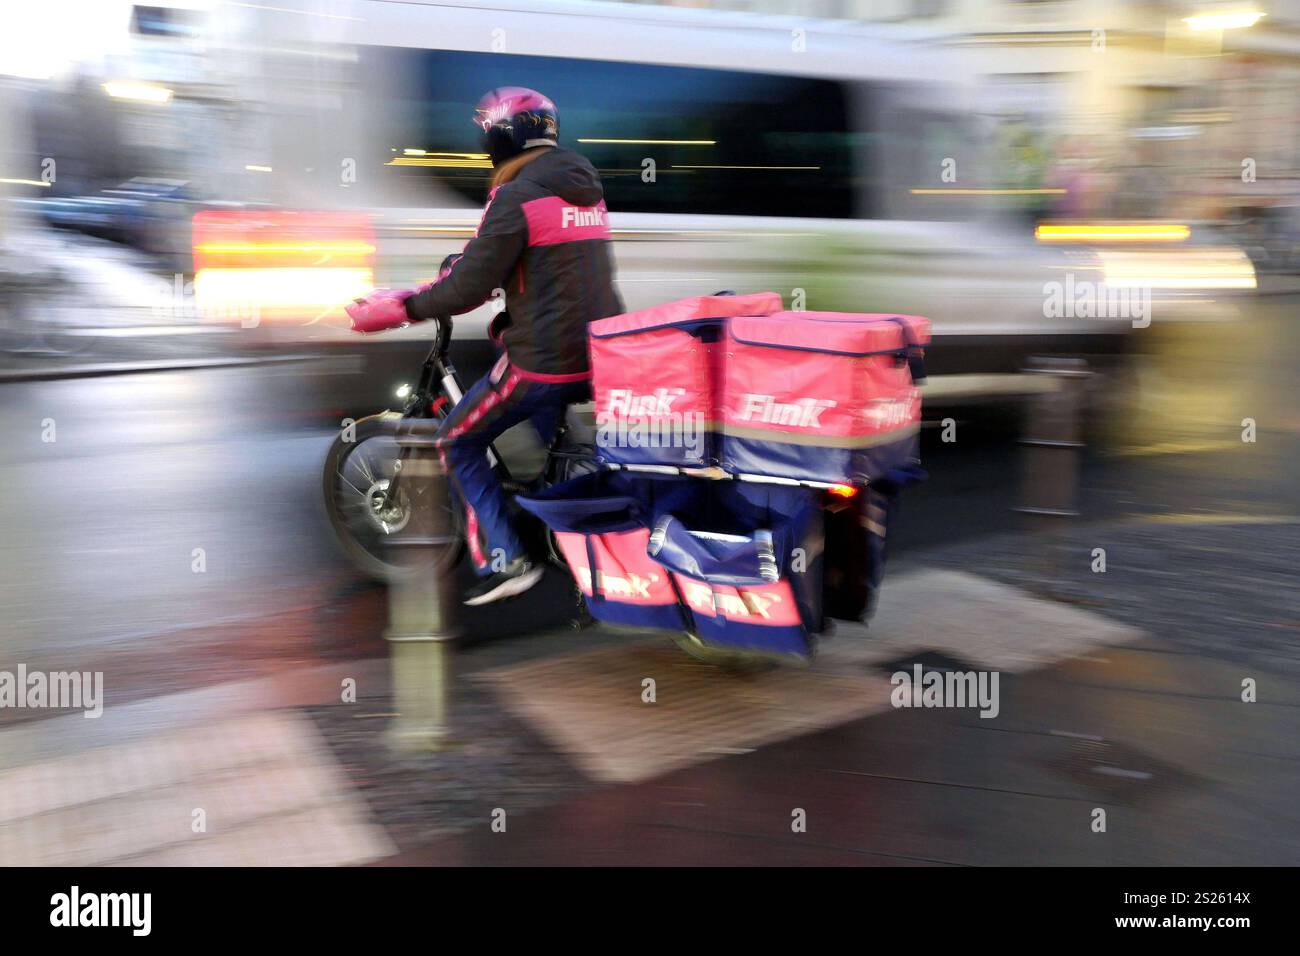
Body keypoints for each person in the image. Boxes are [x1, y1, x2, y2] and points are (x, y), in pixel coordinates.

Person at [347, 87, 623, 605]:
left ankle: (507, 560)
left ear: (502, 136)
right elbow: (549, 264)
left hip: (545, 363)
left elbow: (469, 287)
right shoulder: (583, 185)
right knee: (532, 403)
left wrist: (407, 306)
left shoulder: (515, 194)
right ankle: (552, 508)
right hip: (600, 351)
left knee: (457, 439)